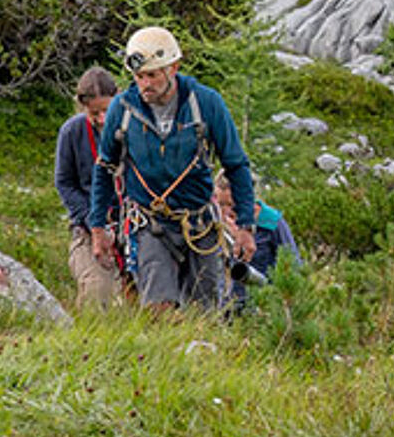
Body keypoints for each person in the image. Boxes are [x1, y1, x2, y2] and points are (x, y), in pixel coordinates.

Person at [88, 25, 257, 312]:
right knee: (159, 309)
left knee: (205, 312)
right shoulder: (123, 109)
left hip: (200, 224)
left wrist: (244, 226)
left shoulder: (206, 104)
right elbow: (105, 167)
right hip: (150, 225)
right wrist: (97, 228)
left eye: (152, 75)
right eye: (139, 77)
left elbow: (236, 165)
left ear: (174, 68)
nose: (145, 84)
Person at [54, 67, 127, 309]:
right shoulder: (72, 132)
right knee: (97, 290)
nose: (103, 118)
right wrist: (93, 223)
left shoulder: (135, 126)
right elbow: (64, 183)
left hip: (133, 223)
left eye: (108, 110)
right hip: (87, 227)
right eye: (95, 113)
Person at [213, 173, 300, 310]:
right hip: (223, 307)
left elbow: (293, 265)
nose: (226, 212)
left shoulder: (271, 223)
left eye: (232, 205)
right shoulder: (214, 222)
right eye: (221, 204)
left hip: (262, 306)